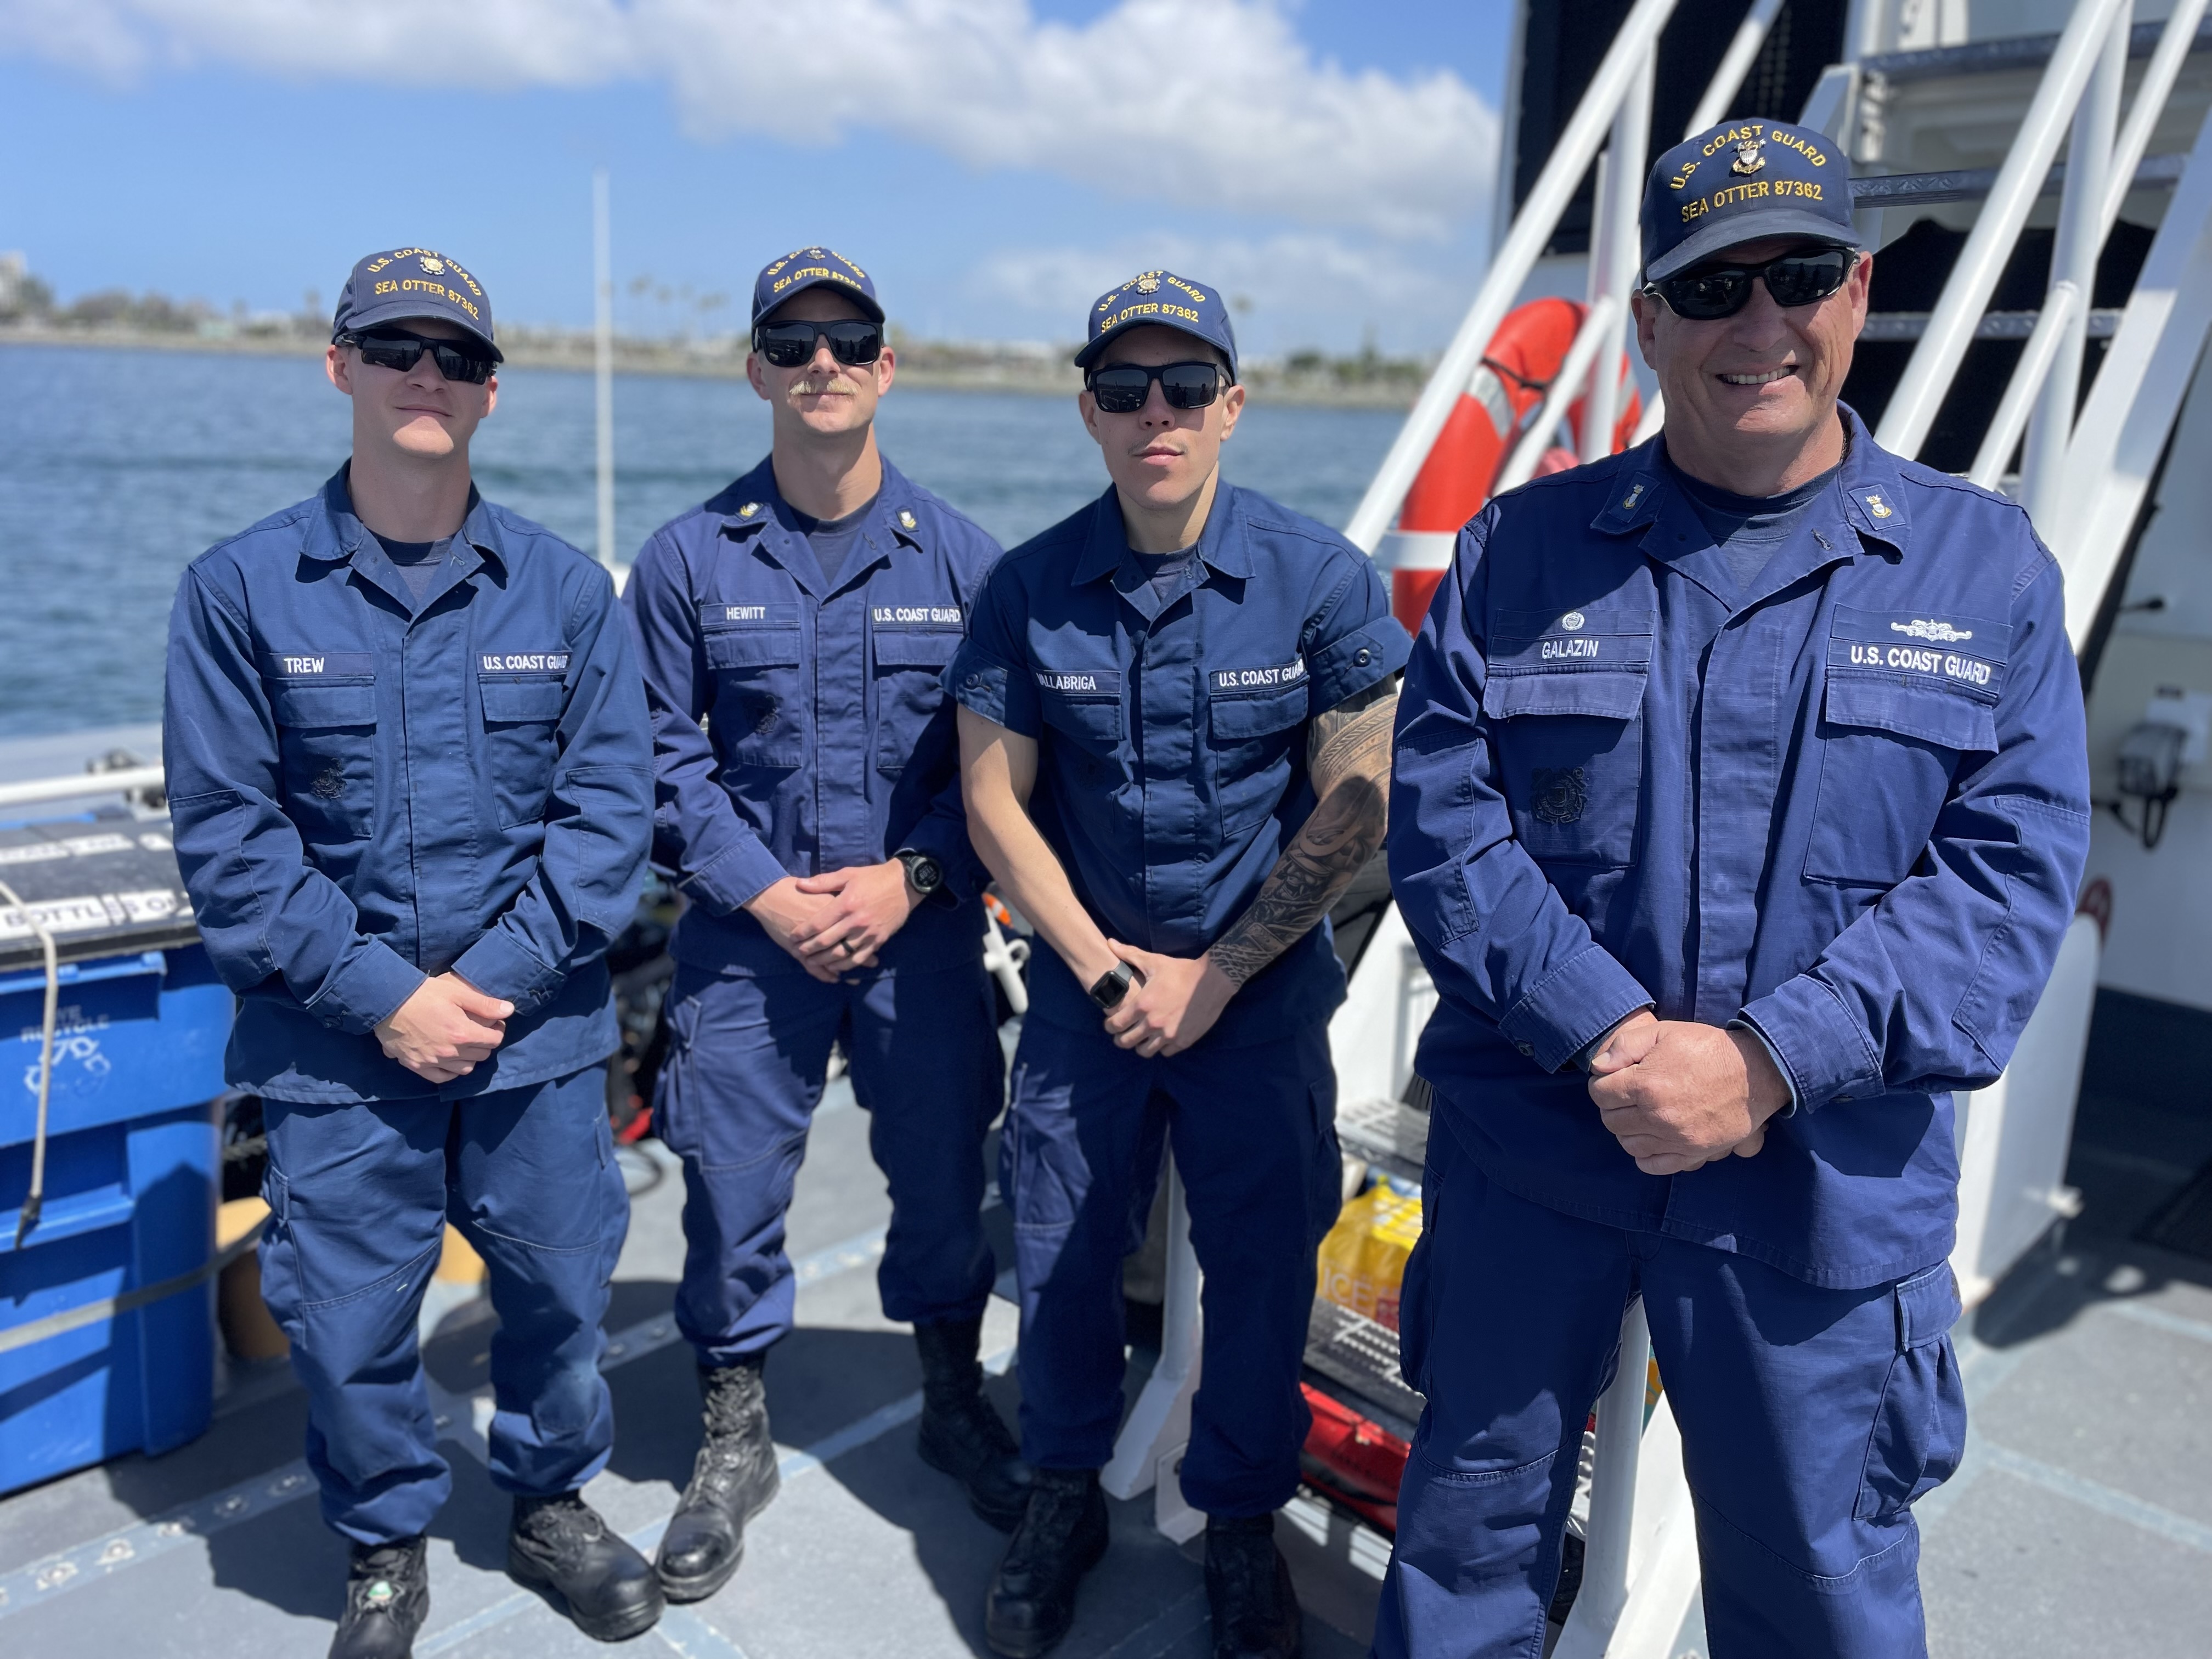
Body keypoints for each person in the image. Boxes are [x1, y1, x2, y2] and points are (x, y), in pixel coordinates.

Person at [1381, 121, 2092, 1658]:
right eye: (1712, 287)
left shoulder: (1986, 573)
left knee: (1818, 1599)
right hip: (1538, 1151)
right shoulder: (1519, 553)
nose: (1759, 321)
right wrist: (1610, 1034)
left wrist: (1767, 1063)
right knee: (1462, 1557)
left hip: (1819, 1187)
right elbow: (1443, 827)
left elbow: (2009, 877)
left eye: (1801, 275)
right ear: (1649, 322)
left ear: (1860, 293)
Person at [163, 248, 660, 1659]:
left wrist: (483, 987)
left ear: (492, 392)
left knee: (559, 1285)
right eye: (395, 349)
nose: (426, 376)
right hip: (335, 1047)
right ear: (341, 368)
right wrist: (388, 1001)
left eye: (458, 357)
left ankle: (550, 1501)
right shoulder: (239, 592)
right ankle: (383, 1540)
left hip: (533, 1037)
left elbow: (609, 823)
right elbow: (231, 839)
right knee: (345, 1317)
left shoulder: (567, 594)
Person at [949, 270, 1408, 1659]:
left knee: (1264, 1272)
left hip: (1255, 1002)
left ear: (1232, 405)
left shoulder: (1317, 578)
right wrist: (1104, 975)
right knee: (1063, 1255)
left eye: (1187, 386)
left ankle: (1242, 1520)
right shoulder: (1028, 589)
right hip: (1087, 998)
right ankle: (1064, 1489)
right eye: (1126, 388)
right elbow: (993, 803)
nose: (1158, 411)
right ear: (1090, 411)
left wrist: (1216, 976)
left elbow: (1363, 792)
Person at [621, 247, 1023, 1603]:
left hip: (921, 932)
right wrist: (768, 892)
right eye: (792, 346)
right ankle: (734, 1435)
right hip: (751, 937)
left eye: (849, 342)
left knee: (943, 1177)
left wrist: (911, 879)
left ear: (887, 367)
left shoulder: (966, 563)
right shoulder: (687, 560)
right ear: (757, 373)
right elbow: (656, 755)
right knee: (731, 1188)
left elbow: (1003, 769)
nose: (823, 366)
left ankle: (952, 1395)